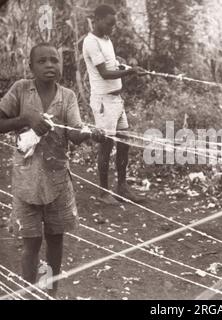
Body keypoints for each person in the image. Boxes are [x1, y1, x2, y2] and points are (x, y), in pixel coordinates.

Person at [0, 43, 105, 297]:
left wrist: (90, 134)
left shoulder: (67, 96)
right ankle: (29, 293)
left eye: (54, 61)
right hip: (27, 181)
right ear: (31, 67)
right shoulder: (21, 90)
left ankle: (49, 291)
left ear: (61, 65)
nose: (50, 65)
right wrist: (25, 119)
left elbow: (74, 132)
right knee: (31, 242)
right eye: (42, 61)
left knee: (56, 239)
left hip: (58, 180)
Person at [82, 4, 147, 205]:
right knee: (106, 145)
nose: (112, 28)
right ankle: (103, 192)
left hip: (116, 100)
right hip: (103, 102)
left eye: (114, 24)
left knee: (124, 143)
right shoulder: (91, 42)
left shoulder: (107, 40)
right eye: (109, 23)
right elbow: (104, 73)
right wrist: (129, 72)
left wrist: (126, 67)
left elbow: (112, 66)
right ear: (97, 19)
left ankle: (122, 187)